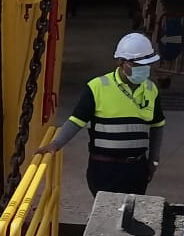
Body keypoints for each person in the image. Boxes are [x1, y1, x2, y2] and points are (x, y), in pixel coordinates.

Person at [36, 32, 166, 196]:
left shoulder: (151, 89)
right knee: (107, 214)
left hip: (136, 170)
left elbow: (157, 126)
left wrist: (153, 160)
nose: (143, 69)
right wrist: (56, 144)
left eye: (146, 65)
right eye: (137, 65)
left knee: (129, 215)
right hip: (104, 169)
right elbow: (76, 121)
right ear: (121, 62)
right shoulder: (97, 87)